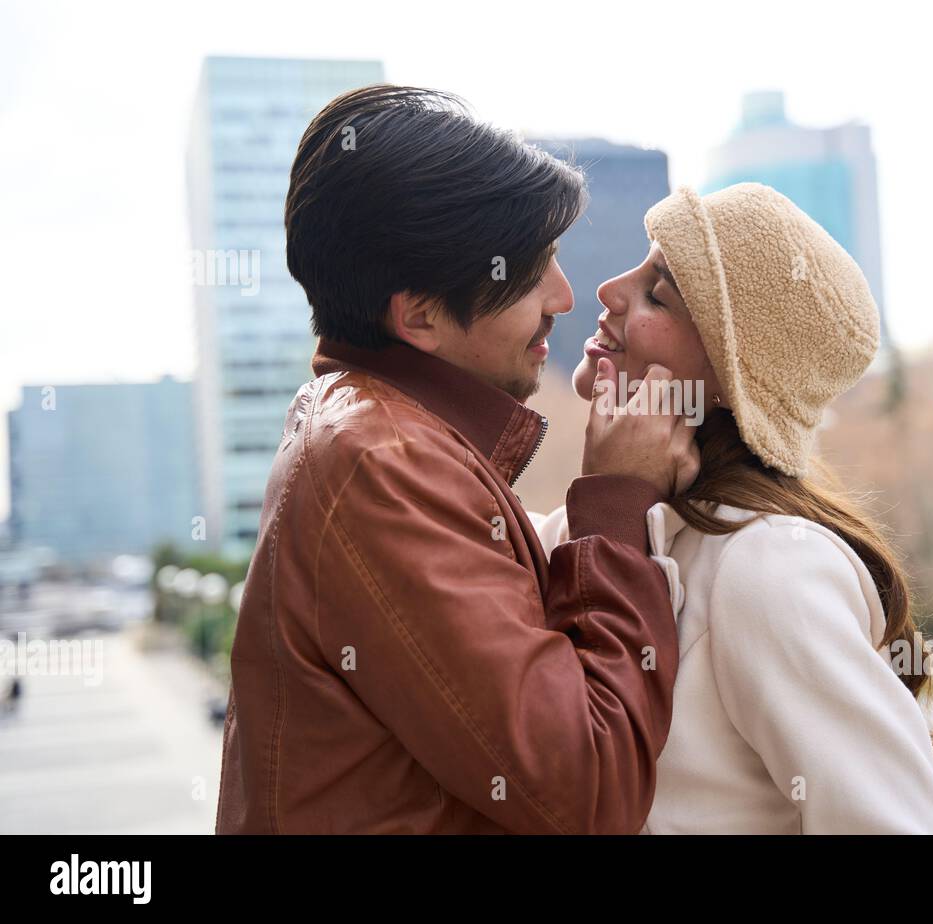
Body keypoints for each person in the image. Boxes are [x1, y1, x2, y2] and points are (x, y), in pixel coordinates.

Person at [215, 86, 699, 834]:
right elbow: (590, 788)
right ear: (419, 316)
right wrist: (614, 504)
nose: (565, 296)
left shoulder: (370, 434)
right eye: (530, 267)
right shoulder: (379, 464)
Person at [535, 183, 933, 833]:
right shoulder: (606, 527)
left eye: (659, 293)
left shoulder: (766, 568)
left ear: (730, 382)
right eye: (638, 264)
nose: (608, 291)